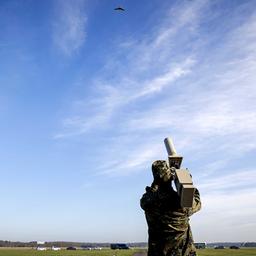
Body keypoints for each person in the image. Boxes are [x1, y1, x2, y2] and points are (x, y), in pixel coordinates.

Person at [140, 160, 201, 256]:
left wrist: (157, 181)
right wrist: (186, 180)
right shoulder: (182, 204)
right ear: (170, 177)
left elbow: (151, 192)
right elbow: (197, 200)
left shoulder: (147, 203)